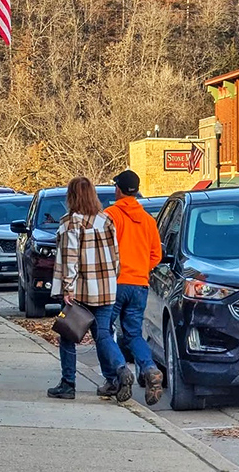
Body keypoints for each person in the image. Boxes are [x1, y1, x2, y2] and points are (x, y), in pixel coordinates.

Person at [48, 176, 134, 402]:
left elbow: (70, 258)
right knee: (103, 333)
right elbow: (116, 257)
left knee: (68, 335)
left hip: (80, 291)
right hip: (106, 288)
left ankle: (68, 384)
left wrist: (68, 288)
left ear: (71, 196)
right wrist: (111, 279)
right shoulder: (106, 220)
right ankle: (119, 372)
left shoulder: (70, 223)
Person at [104, 169, 164, 406]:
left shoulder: (111, 215)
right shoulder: (148, 220)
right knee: (133, 333)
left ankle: (120, 372)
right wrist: (141, 268)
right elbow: (156, 255)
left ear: (118, 189)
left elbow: (103, 250)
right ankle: (149, 369)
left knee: (104, 330)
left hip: (115, 283)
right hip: (139, 283)